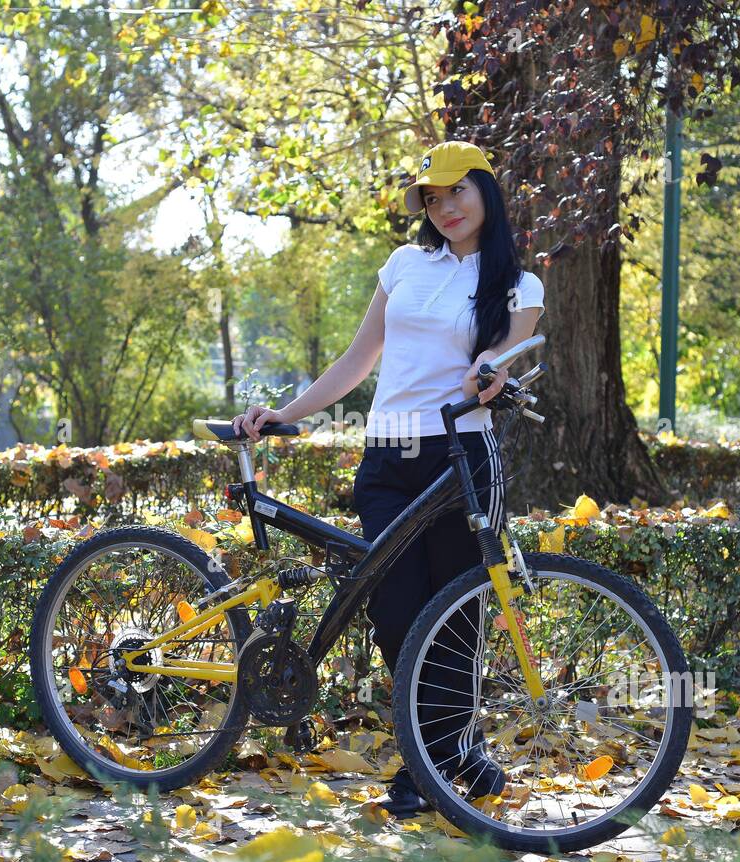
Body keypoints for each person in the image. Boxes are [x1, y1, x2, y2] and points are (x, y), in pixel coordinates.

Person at [231, 140, 546, 818]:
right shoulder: (404, 264)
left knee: (456, 620)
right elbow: (359, 357)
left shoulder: (520, 286)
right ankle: (455, 755)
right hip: (387, 461)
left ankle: (429, 766)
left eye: (456, 191)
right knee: (399, 615)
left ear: (486, 191)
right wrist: (288, 411)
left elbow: (503, 357)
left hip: (461, 457)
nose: (445, 207)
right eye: (432, 199)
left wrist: (488, 374)